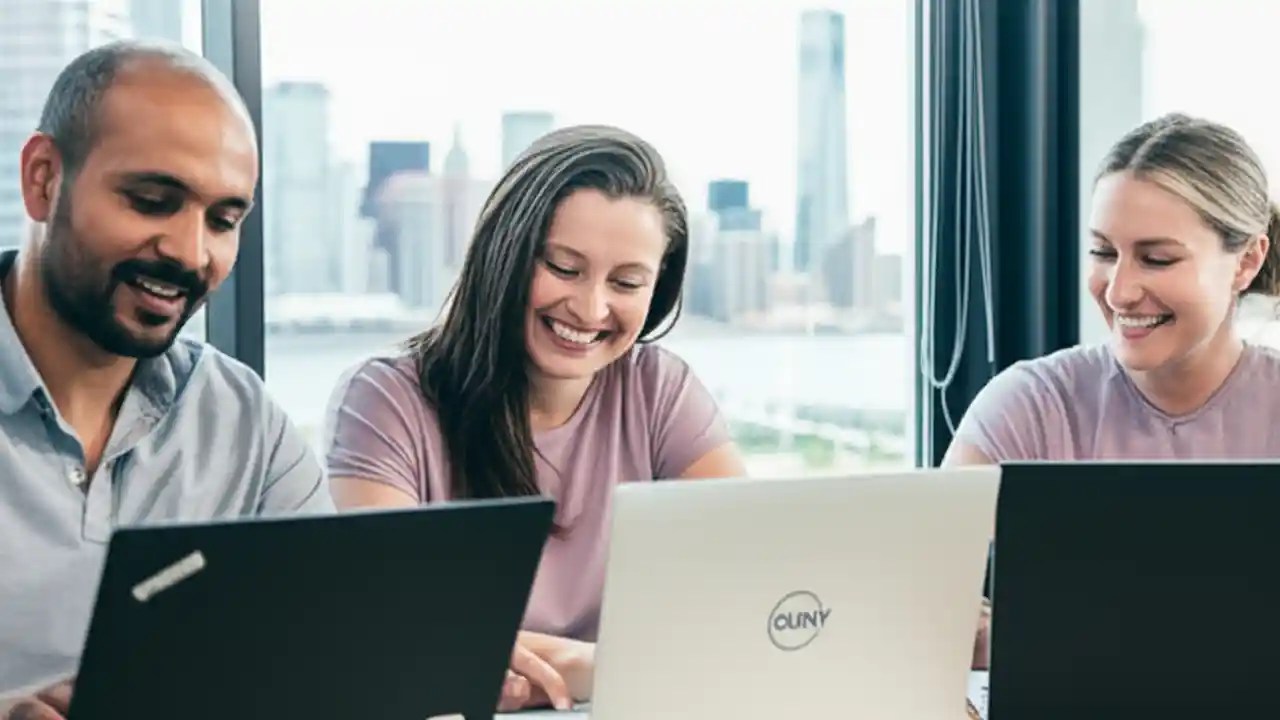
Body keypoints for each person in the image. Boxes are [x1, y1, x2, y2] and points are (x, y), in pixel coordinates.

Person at [324, 124, 747, 710]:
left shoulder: (659, 390)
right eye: (565, 268)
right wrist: (627, 665)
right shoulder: (386, 401)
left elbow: (754, 602)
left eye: (626, 282)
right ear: (506, 253)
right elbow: (395, 641)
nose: (591, 307)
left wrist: (582, 668)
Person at [0, 41, 334, 718]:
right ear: (43, 180)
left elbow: (327, 653)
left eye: (224, 221)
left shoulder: (243, 423)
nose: (190, 252)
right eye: (153, 201)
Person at [946, 112, 1280, 668]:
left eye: (1157, 259)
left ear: (1246, 261)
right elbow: (919, 592)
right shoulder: (1030, 407)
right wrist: (980, 633)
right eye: (1103, 253)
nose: (1120, 291)